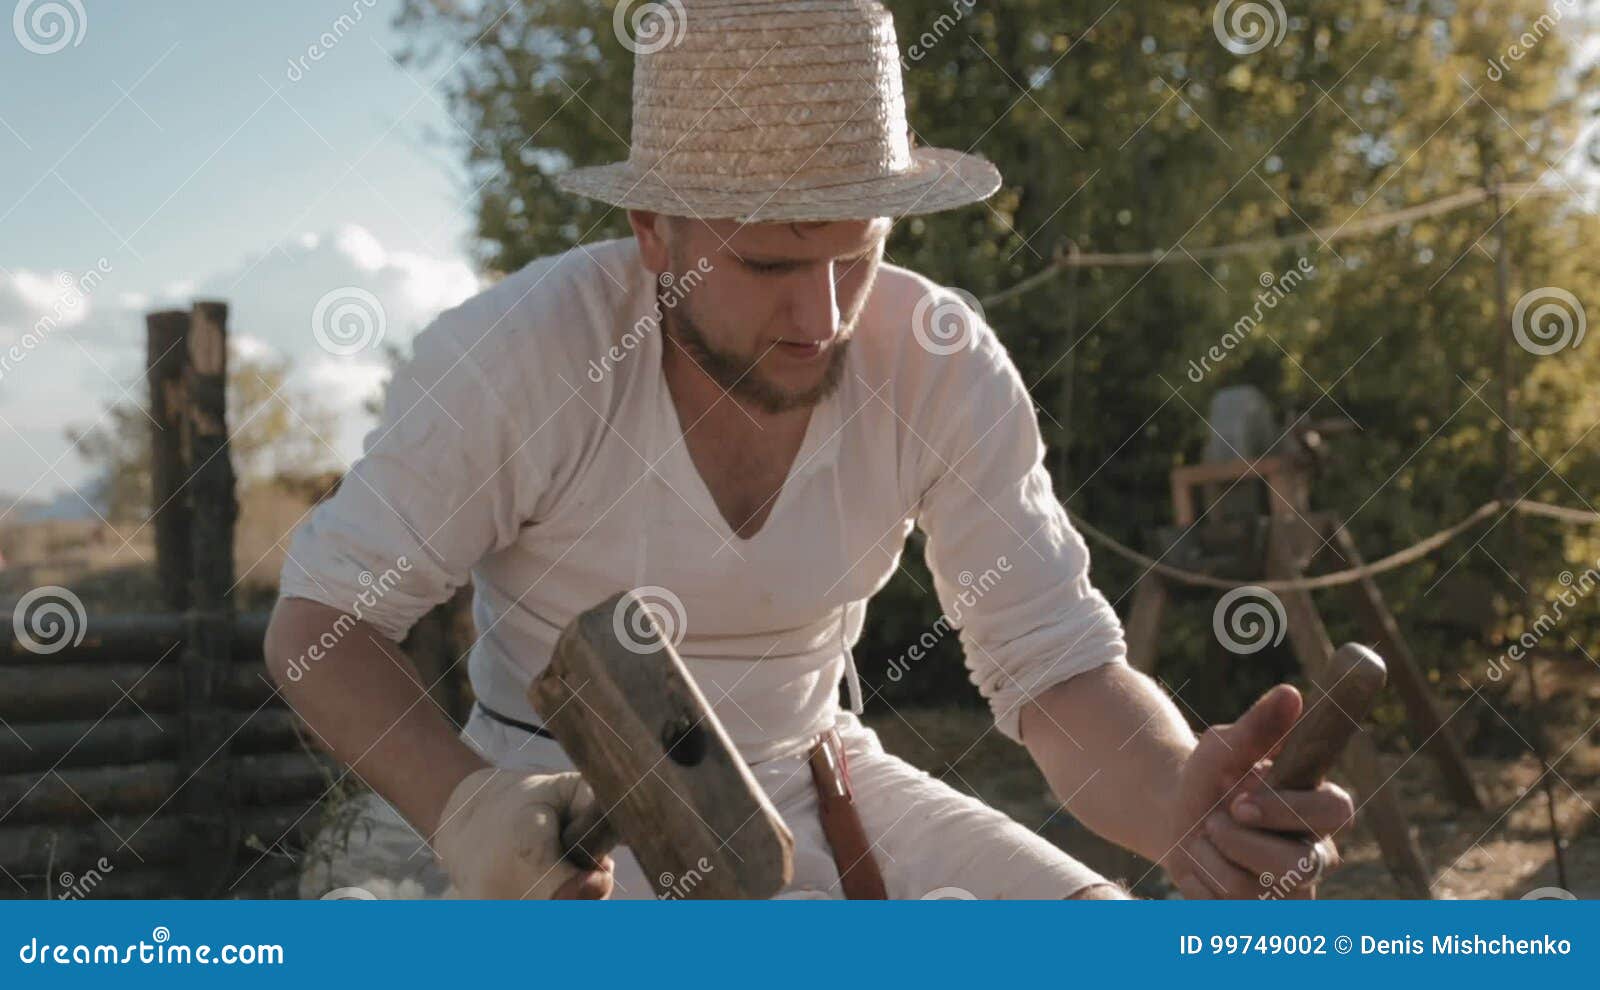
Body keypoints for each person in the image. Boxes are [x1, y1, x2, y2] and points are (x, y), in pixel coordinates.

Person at [266, 0, 1352, 900]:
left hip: (820, 775)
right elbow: (321, 622)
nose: (821, 317)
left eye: (858, 254)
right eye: (773, 265)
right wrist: (468, 810)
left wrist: (1180, 801)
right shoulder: (523, 356)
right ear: (654, 226)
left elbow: (1055, 664)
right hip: (559, 812)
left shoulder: (937, 361)